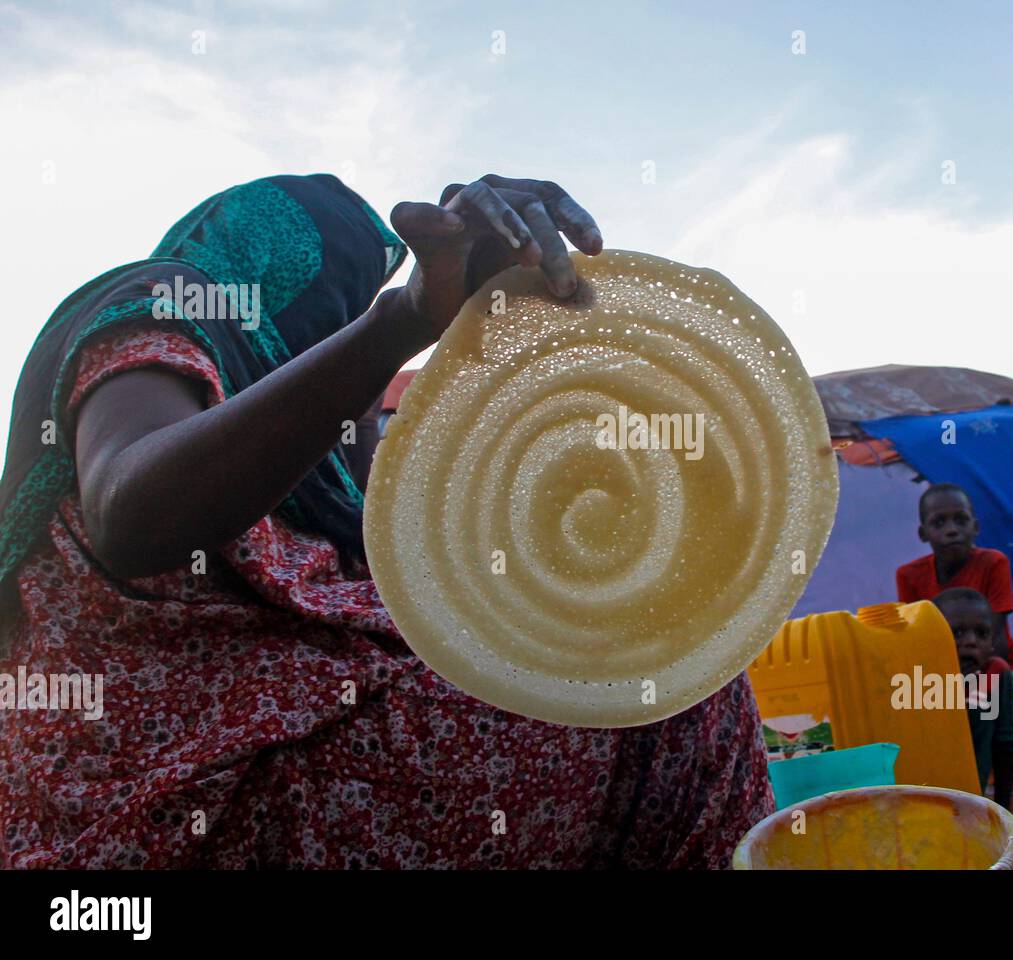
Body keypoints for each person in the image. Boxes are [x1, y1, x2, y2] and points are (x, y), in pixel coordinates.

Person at [0, 173, 773, 869]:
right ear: (286, 256)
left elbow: (391, 561)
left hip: (261, 751)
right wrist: (395, 322)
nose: (337, 322)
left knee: (664, 664)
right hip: (174, 784)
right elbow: (129, 513)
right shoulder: (167, 296)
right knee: (671, 704)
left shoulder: (297, 409)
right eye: (341, 290)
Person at [896, 482, 1013, 710]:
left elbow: (996, 639)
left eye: (961, 520)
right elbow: (917, 642)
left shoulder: (993, 563)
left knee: (985, 710)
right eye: (939, 523)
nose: (951, 530)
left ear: (975, 527)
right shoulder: (909, 576)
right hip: (943, 675)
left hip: (997, 670)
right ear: (923, 533)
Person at [932, 588, 1013, 809]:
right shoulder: (919, 677)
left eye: (982, 633)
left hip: (973, 801)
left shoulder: (994, 674)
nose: (971, 642)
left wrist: (1003, 812)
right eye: (957, 633)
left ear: (992, 643)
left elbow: (1006, 744)